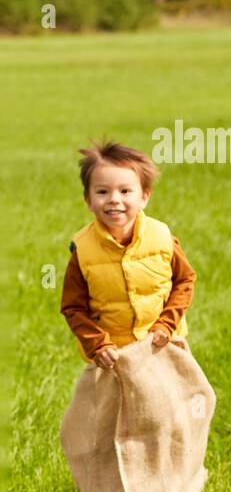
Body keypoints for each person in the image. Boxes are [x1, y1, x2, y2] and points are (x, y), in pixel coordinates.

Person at [60, 141, 196, 368]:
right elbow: (73, 307)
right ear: (88, 200)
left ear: (144, 197)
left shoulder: (162, 237)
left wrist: (167, 324)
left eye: (125, 191)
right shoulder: (82, 250)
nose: (114, 199)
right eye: (102, 191)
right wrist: (98, 345)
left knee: (170, 403)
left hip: (164, 348)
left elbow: (185, 280)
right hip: (114, 359)